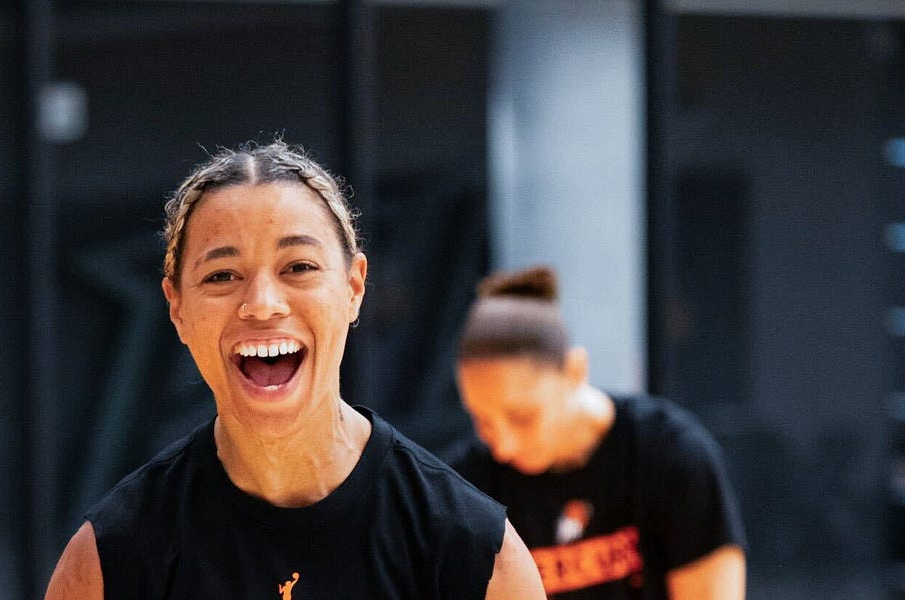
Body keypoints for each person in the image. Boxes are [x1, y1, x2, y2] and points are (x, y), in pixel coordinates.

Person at [44, 141, 545, 599]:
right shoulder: (109, 562)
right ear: (177, 308)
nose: (261, 304)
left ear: (353, 287)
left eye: (298, 267)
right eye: (222, 275)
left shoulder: (473, 553)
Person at [448, 265, 747, 599]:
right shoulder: (465, 486)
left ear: (575, 371)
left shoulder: (672, 456)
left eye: (522, 417)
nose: (502, 445)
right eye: (482, 420)